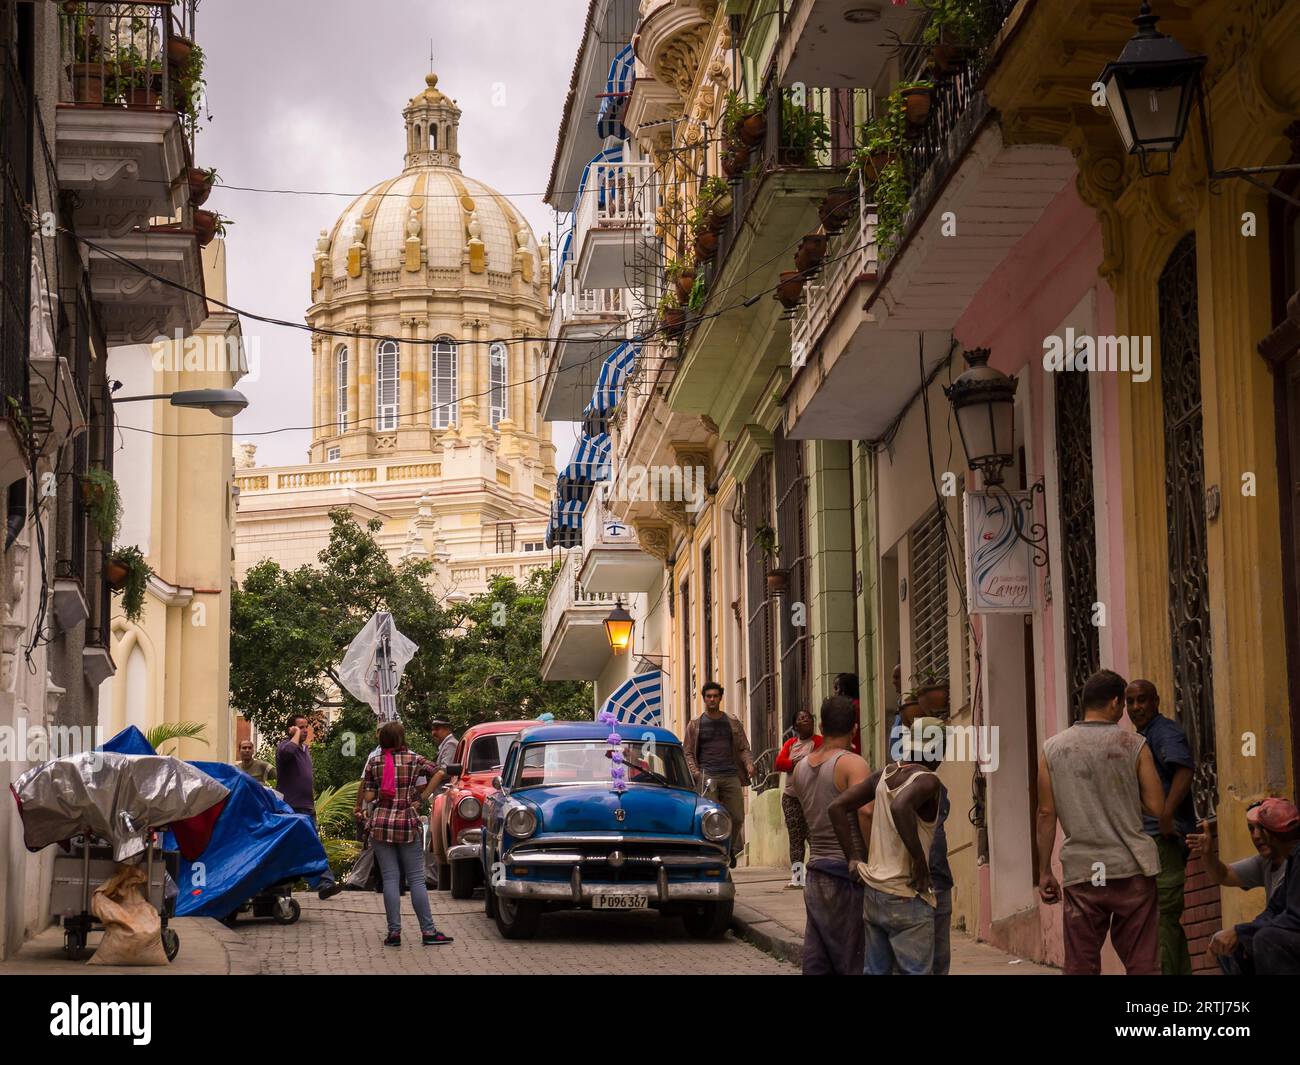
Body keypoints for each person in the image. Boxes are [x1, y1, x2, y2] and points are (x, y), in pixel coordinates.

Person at [1036, 669, 1165, 975]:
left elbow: (1045, 813)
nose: (1124, 712)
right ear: (1114, 703)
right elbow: (1157, 807)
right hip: (1131, 867)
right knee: (1142, 963)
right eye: (1122, 705)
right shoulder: (1135, 744)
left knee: (1081, 964)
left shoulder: (1052, 749)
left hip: (1084, 872)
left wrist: (1044, 872)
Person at [829, 716, 946, 975]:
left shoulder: (885, 774)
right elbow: (900, 806)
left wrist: (853, 858)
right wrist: (918, 860)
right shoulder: (928, 780)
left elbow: (837, 807)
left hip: (875, 893)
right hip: (907, 895)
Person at [790, 696, 871, 974]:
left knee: (819, 956)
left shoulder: (800, 768)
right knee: (851, 956)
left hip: (817, 873)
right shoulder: (852, 764)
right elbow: (866, 813)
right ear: (855, 728)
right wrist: (870, 860)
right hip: (846, 873)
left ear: (821, 726)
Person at [1124, 679, 1196, 975]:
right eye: (1130, 701)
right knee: (1163, 921)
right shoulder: (1144, 736)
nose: (1136, 707)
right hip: (1152, 841)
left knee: (1161, 918)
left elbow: (1185, 768)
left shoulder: (1164, 732)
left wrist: (1166, 815)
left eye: (1142, 700)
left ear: (1156, 701)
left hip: (1163, 842)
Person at [361, 721, 453, 946]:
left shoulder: (374, 761)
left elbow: (369, 797)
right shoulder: (414, 759)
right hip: (406, 821)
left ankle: (394, 934)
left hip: (381, 823)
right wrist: (421, 798)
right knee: (416, 879)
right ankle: (428, 932)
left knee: (391, 879)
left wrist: (378, 793)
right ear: (401, 739)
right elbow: (441, 772)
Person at [1191, 798, 1300, 974]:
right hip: (1283, 931)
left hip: (1286, 935)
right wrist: (1239, 934)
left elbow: (1295, 918)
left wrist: (1243, 932)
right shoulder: (1274, 862)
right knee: (1233, 946)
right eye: (1251, 829)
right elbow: (1272, 910)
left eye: (1259, 829)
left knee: (1266, 939)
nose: (1256, 836)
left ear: (1268, 834)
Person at [682, 681, 755, 867]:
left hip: (731, 774)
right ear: (704, 698)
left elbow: (743, 747)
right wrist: (696, 773)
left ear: (720, 698)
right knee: (710, 817)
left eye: (715, 696)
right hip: (708, 777)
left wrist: (749, 764)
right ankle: (715, 854)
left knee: (737, 816)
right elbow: (687, 751)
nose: (712, 699)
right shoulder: (695, 724)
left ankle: (729, 847)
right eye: (709, 696)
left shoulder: (732, 721)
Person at [276, 714, 343, 900]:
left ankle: (323, 884)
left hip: (306, 807)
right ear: (291, 729)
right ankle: (323, 882)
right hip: (291, 808)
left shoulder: (305, 749)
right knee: (307, 846)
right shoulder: (285, 747)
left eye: (306, 727)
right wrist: (294, 735)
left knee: (307, 846)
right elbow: (288, 752)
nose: (305, 730)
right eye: (300, 727)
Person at [774, 709, 821, 887]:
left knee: (814, 837)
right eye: (801, 719)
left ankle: (818, 875)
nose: (805, 721)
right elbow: (779, 763)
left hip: (812, 799)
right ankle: (798, 878)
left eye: (808, 718)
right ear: (795, 726)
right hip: (791, 798)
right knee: (796, 838)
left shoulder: (819, 742)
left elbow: (818, 762)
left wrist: (797, 763)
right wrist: (796, 763)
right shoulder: (791, 743)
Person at [832, 672, 862, 755]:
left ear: (844, 690)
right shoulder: (858, 704)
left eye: (836, 688)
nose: (834, 693)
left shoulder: (851, 708)